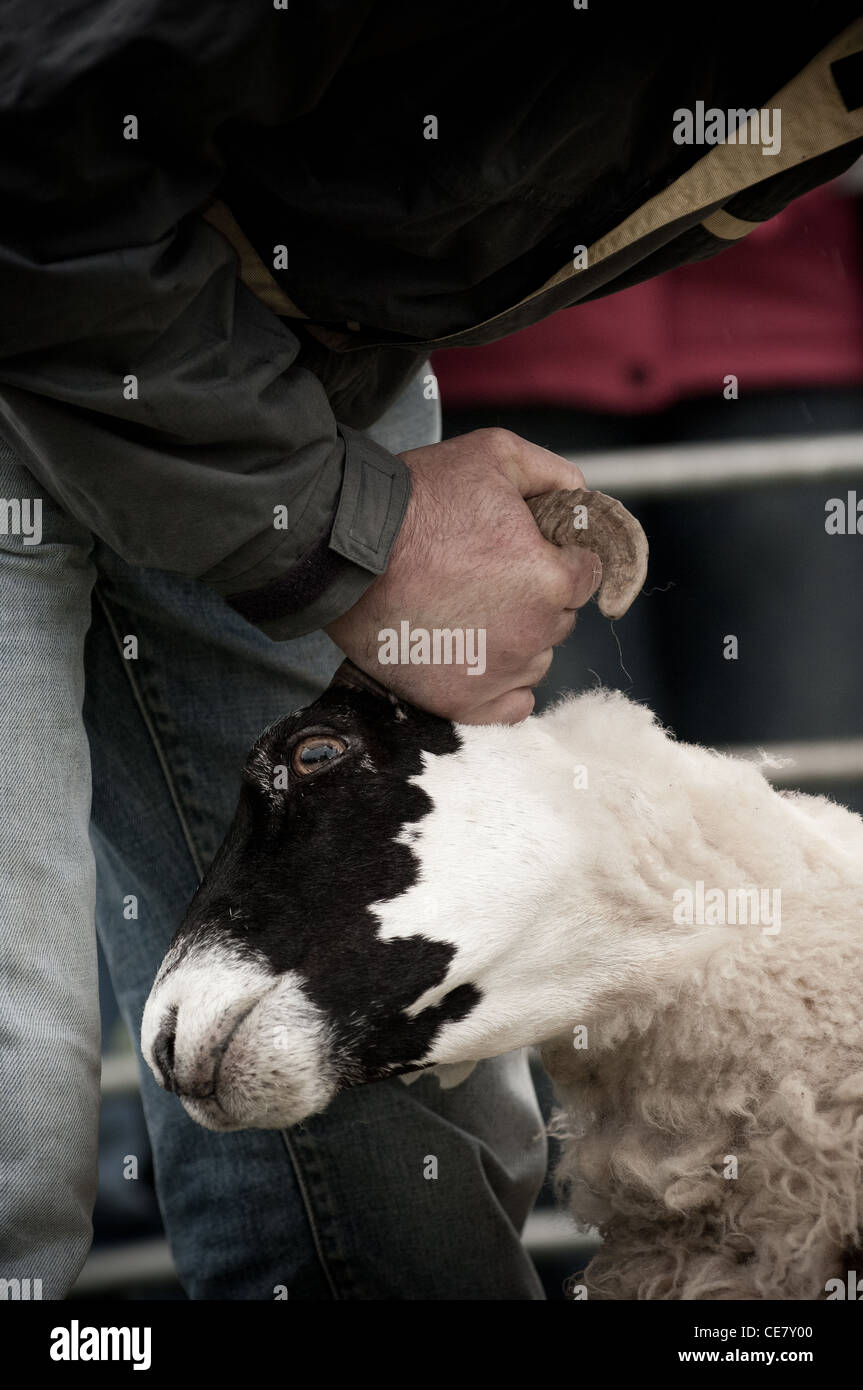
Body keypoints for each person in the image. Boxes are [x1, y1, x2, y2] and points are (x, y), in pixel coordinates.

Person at [1, 3, 861, 1300]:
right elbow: (40, 131)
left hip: (278, 353)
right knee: (16, 1125)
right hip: (97, 286)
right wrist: (356, 535)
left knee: (405, 1163)